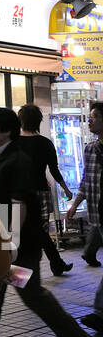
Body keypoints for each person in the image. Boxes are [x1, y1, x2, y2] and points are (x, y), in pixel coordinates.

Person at [0, 108, 95, 337]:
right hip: (2, 240)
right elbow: (5, 195)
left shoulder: (17, 159)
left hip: (19, 245)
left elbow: (19, 202)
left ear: (6, 130)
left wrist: (12, 243)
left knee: (30, 293)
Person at [16, 103, 73, 276]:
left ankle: (20, 272)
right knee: (38, 230)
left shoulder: (14, 143)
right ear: (39, 121)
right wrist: (66, 189)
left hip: (18, 194)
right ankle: (55, 264)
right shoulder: (45, 143)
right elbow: (54, 170)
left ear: (21, 121)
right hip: (40, 193)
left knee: (22, 231)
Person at [64, 100, 103, 269]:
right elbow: (86, 181)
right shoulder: (90, 149)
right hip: (97, 213)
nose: (89, 120)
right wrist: (74, 205)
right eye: (89, 117)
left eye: (94, 117)